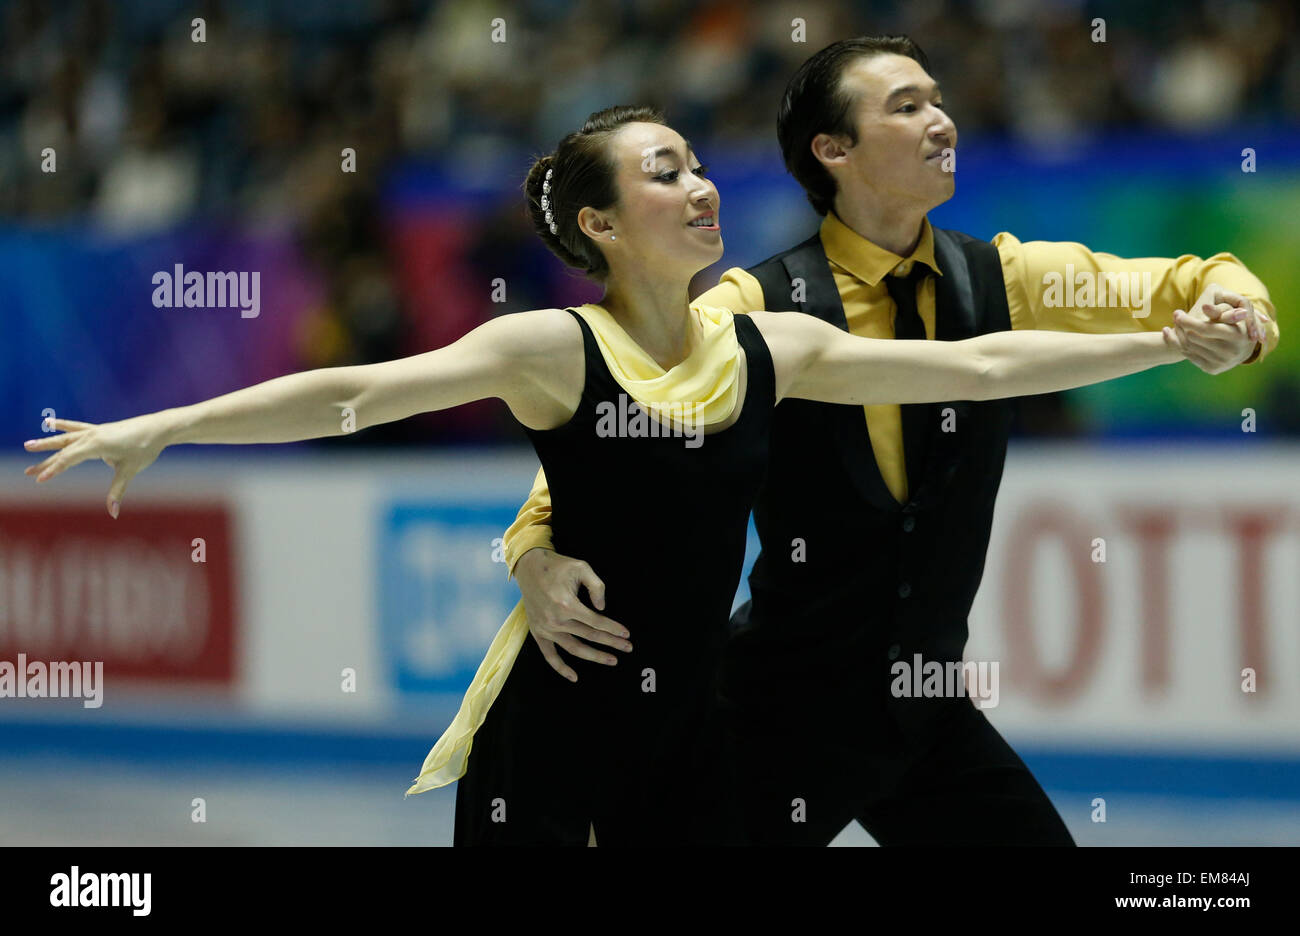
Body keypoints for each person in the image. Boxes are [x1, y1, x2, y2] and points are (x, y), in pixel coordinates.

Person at [24, 104, 1218, 847]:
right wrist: (167, 424)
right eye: (663, 173)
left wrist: (1163, 340)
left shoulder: (768, 347)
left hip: (697, 746)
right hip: (549, 745)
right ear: (600, 225)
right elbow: (354, 394)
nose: (700, 186)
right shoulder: (552, 349)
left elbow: (986, 358)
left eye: (696, 164)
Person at [502, 38, 1280, 846]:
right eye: (906, 106)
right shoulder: (752, 304)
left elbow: (1198, 277)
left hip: (927, 711)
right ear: (833, 150)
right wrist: (533, 551)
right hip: (778, 714)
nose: (941, 121)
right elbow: (618, 432)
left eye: (937, 101)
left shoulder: (1004, 278)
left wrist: (1237, 322)